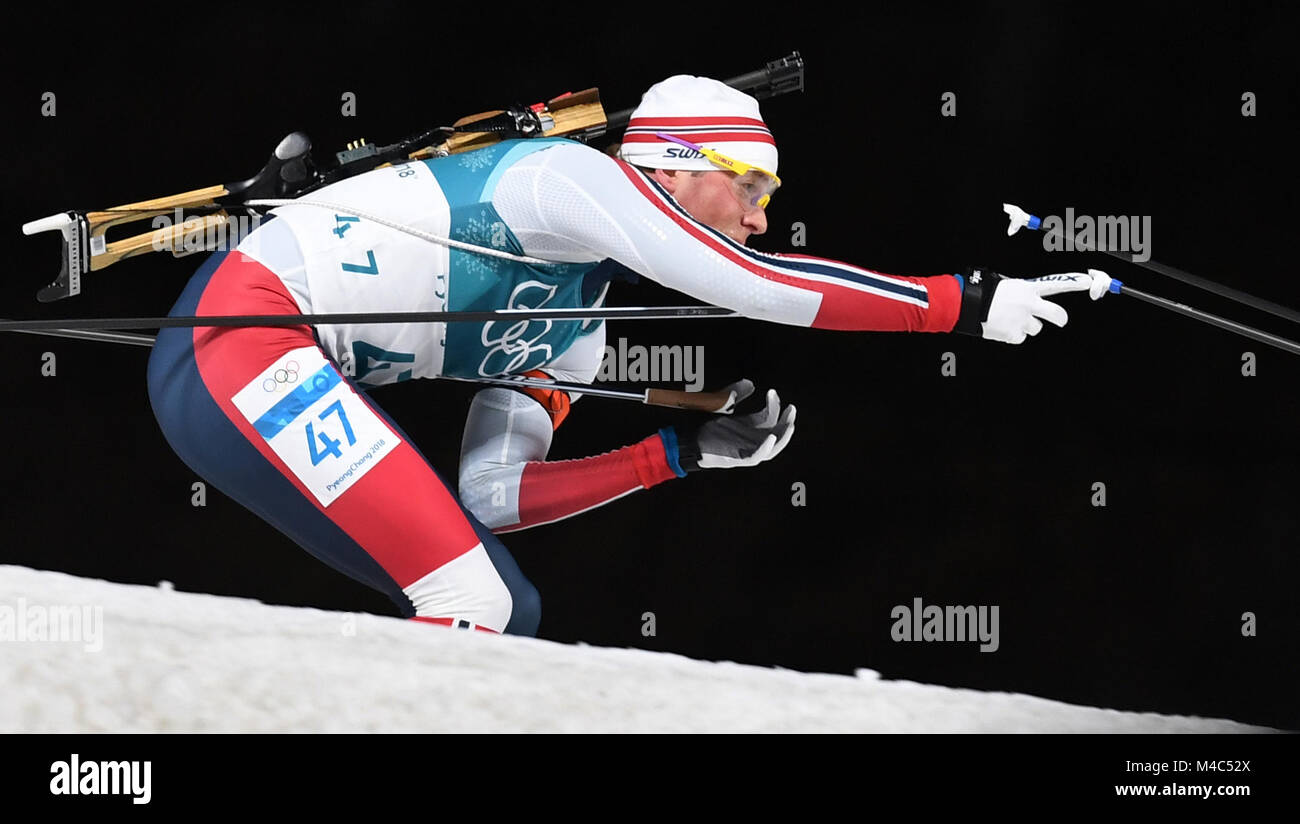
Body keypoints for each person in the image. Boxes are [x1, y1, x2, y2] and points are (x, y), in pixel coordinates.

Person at [145, 74, 1092, 637]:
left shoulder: (581, 325)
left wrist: (676, 456)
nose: (762, 215)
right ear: (675, 160)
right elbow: (750, 286)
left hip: (243, 380)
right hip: (243, 335)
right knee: (480, 603)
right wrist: (957, 304)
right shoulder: (569, 178)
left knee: (497, 603)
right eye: (750, 184)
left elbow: (493, 494)